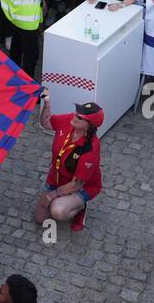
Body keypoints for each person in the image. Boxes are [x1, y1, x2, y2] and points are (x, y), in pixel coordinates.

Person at [35, 93, 104, 231]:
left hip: (80, 187)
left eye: (79, 117)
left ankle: (80, 207)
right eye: (76, 111)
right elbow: (46, 122)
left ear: (89, 126)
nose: (74, 116)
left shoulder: (90, 149)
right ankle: (64, 200)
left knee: (58, 211)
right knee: (40, 219)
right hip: (56, 180)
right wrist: (47, 102)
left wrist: (52, 195)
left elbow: (76, 183)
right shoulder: (68, 120)